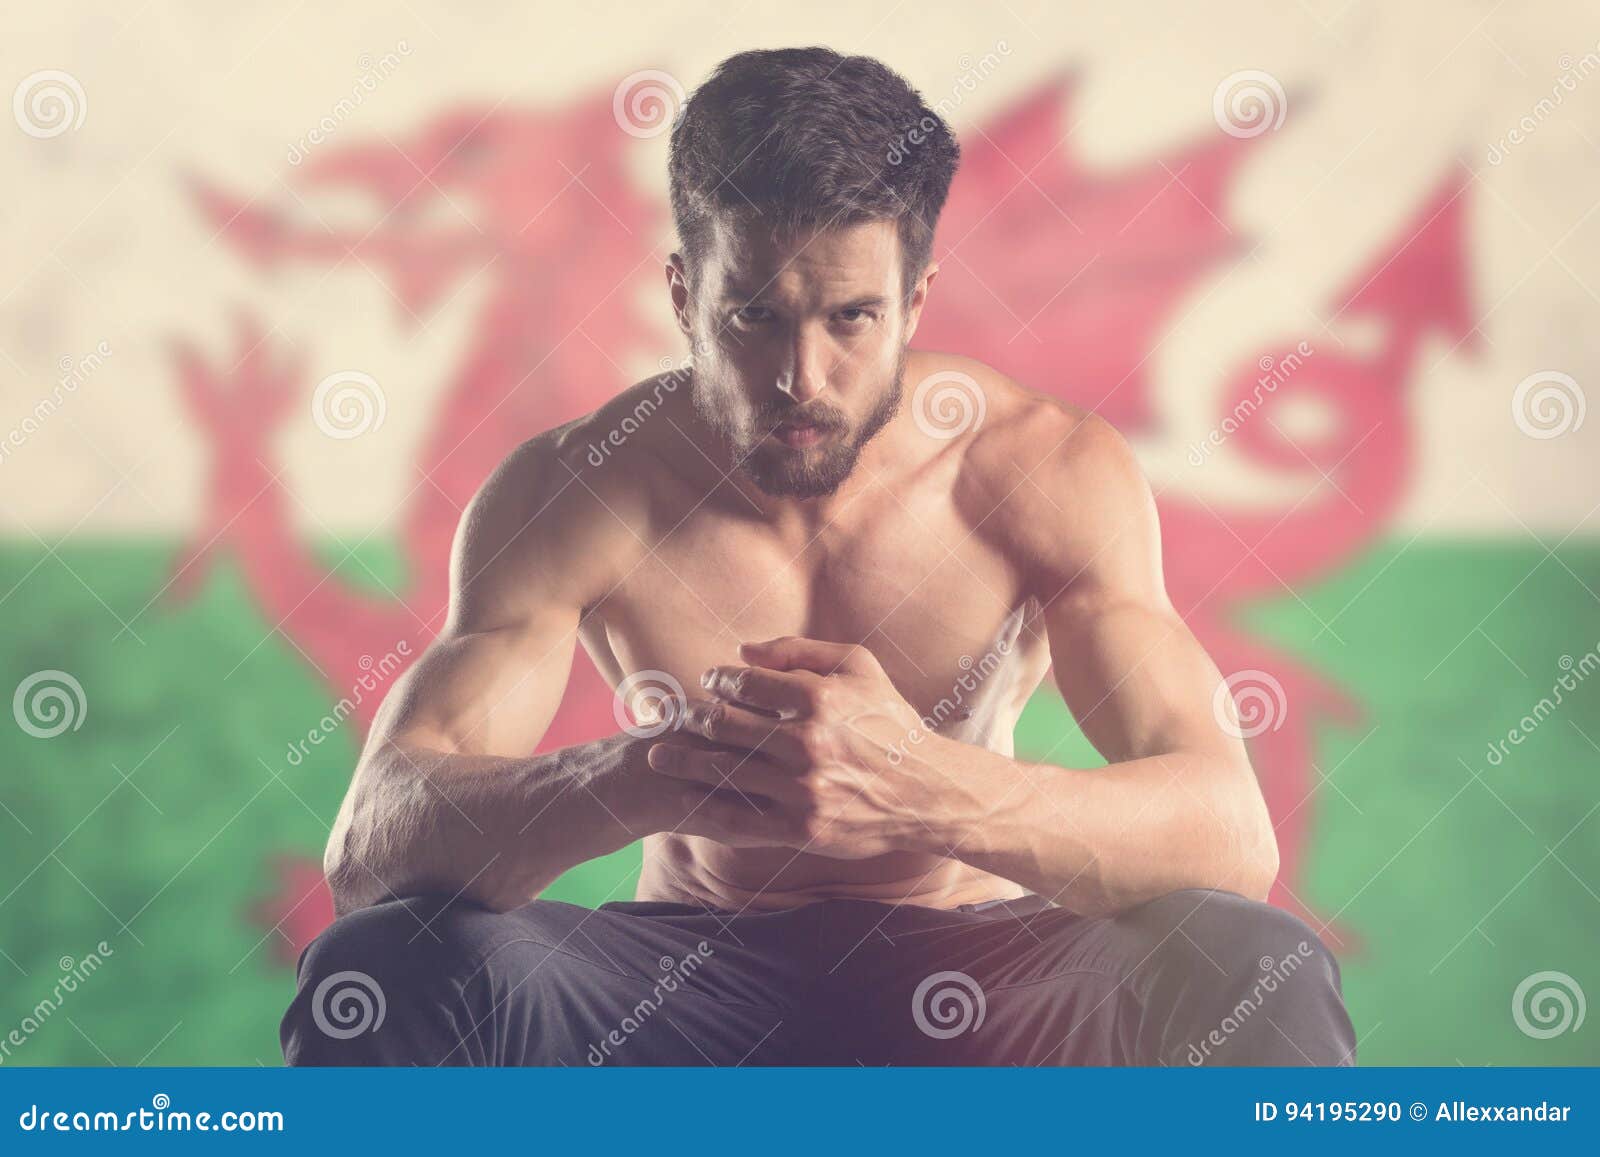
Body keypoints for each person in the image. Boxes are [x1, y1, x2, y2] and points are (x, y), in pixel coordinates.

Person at [281, 46, 1356, 1067]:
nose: (802, 374)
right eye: (752, 316)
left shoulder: (1043, 471)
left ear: (915, 302)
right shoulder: (578, 486)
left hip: (980, 976)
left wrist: (921, 789)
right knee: (389, 963)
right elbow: (374, 844)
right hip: (677, 979)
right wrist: (649, 772)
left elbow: (1230, 834)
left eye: (850, 318)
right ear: (682, 297)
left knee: (1253, 964)